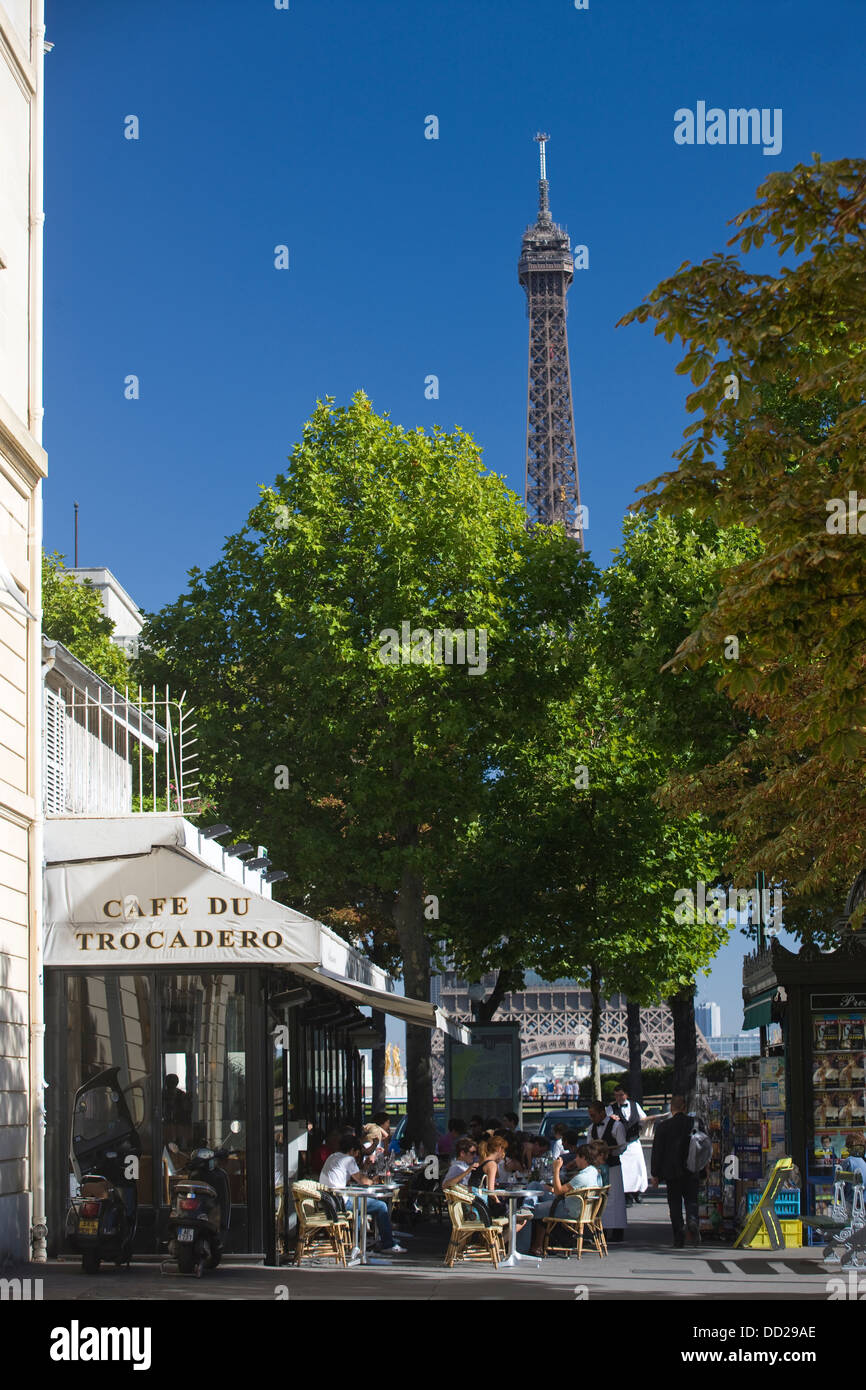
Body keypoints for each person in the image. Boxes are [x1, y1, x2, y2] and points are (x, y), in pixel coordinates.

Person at [319, 1136, 407, 1254]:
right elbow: (364, 1181)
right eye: (356, 1153)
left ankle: (365, 1240)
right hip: (341, 1203)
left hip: (329, 1202)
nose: (356, 1156)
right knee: (381, 1206)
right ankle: (387, 1244)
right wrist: (373, 1180)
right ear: (351, 1150)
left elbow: (345, 1179)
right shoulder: (348, 1159)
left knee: (362, 1207)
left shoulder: (332, 1157)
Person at [527, 1146, 601, 1256]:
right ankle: (537, 1243)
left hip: (569, 1210)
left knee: (532, 1210)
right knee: (536, 1185)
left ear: (584, 1158)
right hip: (581, 1208)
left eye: (577, 1157)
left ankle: (531, 1244)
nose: (575, 1160)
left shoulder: (582, 1177)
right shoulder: (595, 1173)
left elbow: (558, 1191)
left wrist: (556, 1169)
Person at [650, 1093, 700, 1248]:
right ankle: (692, 1220)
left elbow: (657, 1151)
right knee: (691, 1200)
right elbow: (703, 1146)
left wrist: (655, 1174)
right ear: (685, 1107)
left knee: (675, 1204)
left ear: (671, 1108)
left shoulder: (664, 1127)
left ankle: (678, 1236)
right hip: (691, 1169)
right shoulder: (695, 1123)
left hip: (671, 1171)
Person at [588, 1100, 626, 1240]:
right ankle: (600, 1228)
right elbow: (589, 1146)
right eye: (590, 1116)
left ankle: (617, 1230)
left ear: (602, 1113)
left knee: (615, 1198)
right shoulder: (591, 1128)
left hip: (613, 1166)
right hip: (598, 1168)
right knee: (600, 1198)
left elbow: (622, 1146)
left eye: (593, 1115)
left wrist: (609, 1152)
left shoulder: (616, 1126)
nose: (592, 1118)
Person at [609, 1085, 648, 1205]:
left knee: (637, 1169)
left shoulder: (635, 1105)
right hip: (621, 1144)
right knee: (625, 1171)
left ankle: (637, 1192)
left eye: (621, 1095)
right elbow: (606, 1121)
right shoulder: (611, 1108)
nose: (618, 1098)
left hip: (634, 1142)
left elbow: (644, 1118)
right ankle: (626, 1194)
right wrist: (611, 1118)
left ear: (626, 1095)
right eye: (616, 1095)